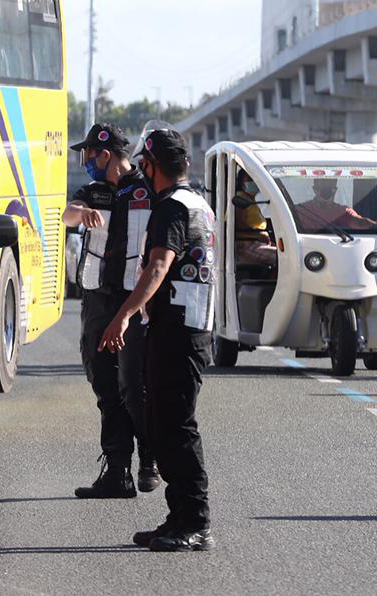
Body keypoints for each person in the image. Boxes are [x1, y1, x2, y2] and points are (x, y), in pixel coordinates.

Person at [99, 129, 215, 552]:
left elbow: (158, 266)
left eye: (144, 167)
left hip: (179, 333)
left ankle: (196, 522)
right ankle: (179, 516)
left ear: (150, 166)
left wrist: (124, 315)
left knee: (176, 427)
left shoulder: (169, 208)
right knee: (165, 425)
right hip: (187, 328)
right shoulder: (198, 201)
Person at [64, 123, 158, 500]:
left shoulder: (148, 190)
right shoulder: (93, 191)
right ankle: (117, 469)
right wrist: (81, 212)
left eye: (89, 154)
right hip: (97, 300)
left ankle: (149, 458)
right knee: (104, 383)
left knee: (136, 385)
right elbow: (68, 214)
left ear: (105, 154)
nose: (86, 161)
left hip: (136, 303)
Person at [294, 177, 376, 231]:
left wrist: (375, 225)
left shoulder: (343, 212)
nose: (325, 192)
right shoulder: (301, 211)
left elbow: (359, 222)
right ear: (314, 189)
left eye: (329, 188)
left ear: (335, 190)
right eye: (322, 188)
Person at [233, 170, 277, 270]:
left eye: (256, 179)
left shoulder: (250, 200)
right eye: (250, 179)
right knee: (283, 258)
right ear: (241, 182)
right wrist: (258, 235)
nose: (254, 182)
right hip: (246, 246)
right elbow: (237, 224)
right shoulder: (240, 199)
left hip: (257, 244)